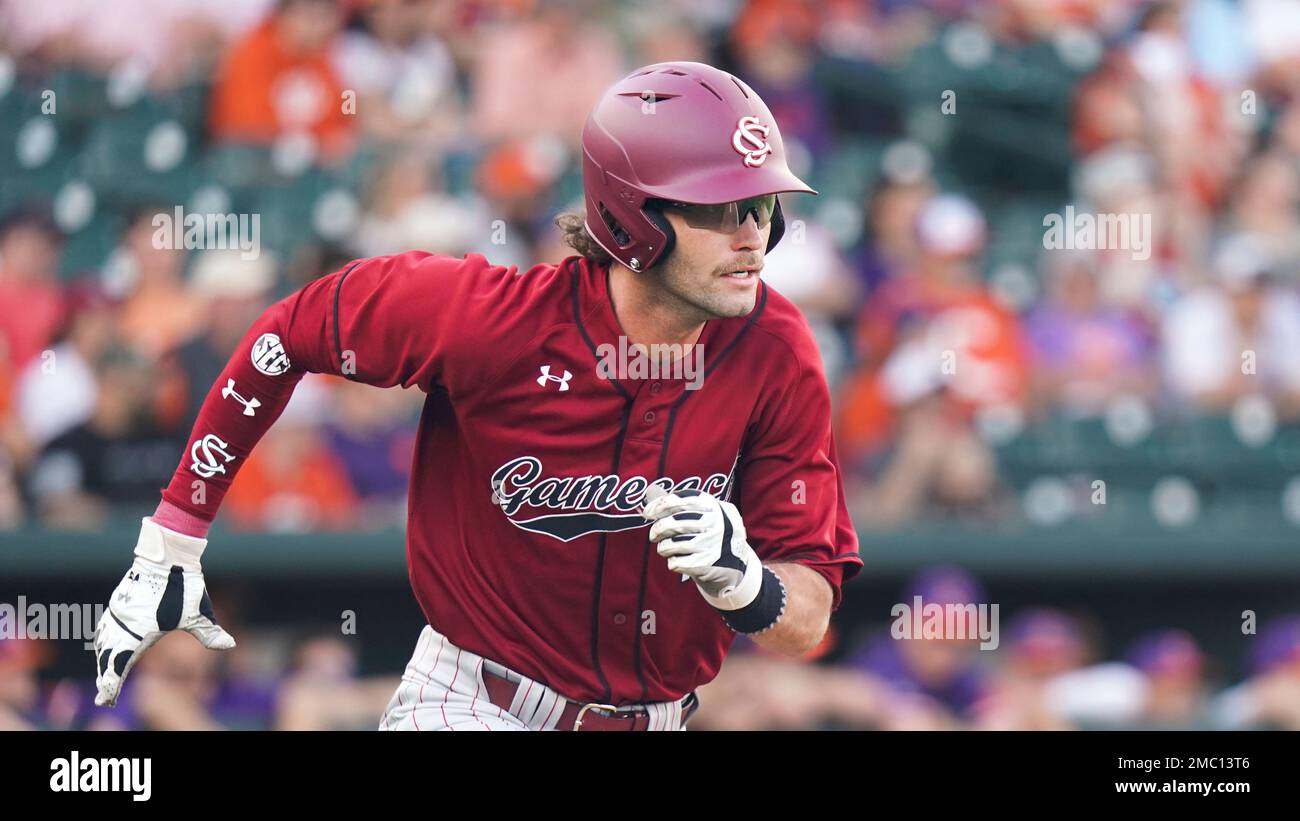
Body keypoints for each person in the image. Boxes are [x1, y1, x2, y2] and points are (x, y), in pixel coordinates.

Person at [91, 61, 862, 731]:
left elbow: (807, 619)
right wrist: (174, 535)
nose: (754, 233)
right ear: (635, 218)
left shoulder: (778, 349)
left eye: (764, 206)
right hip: (474, 703)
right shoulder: (490, 316)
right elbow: (284, 336)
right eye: (723, 207)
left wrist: (749, 584)